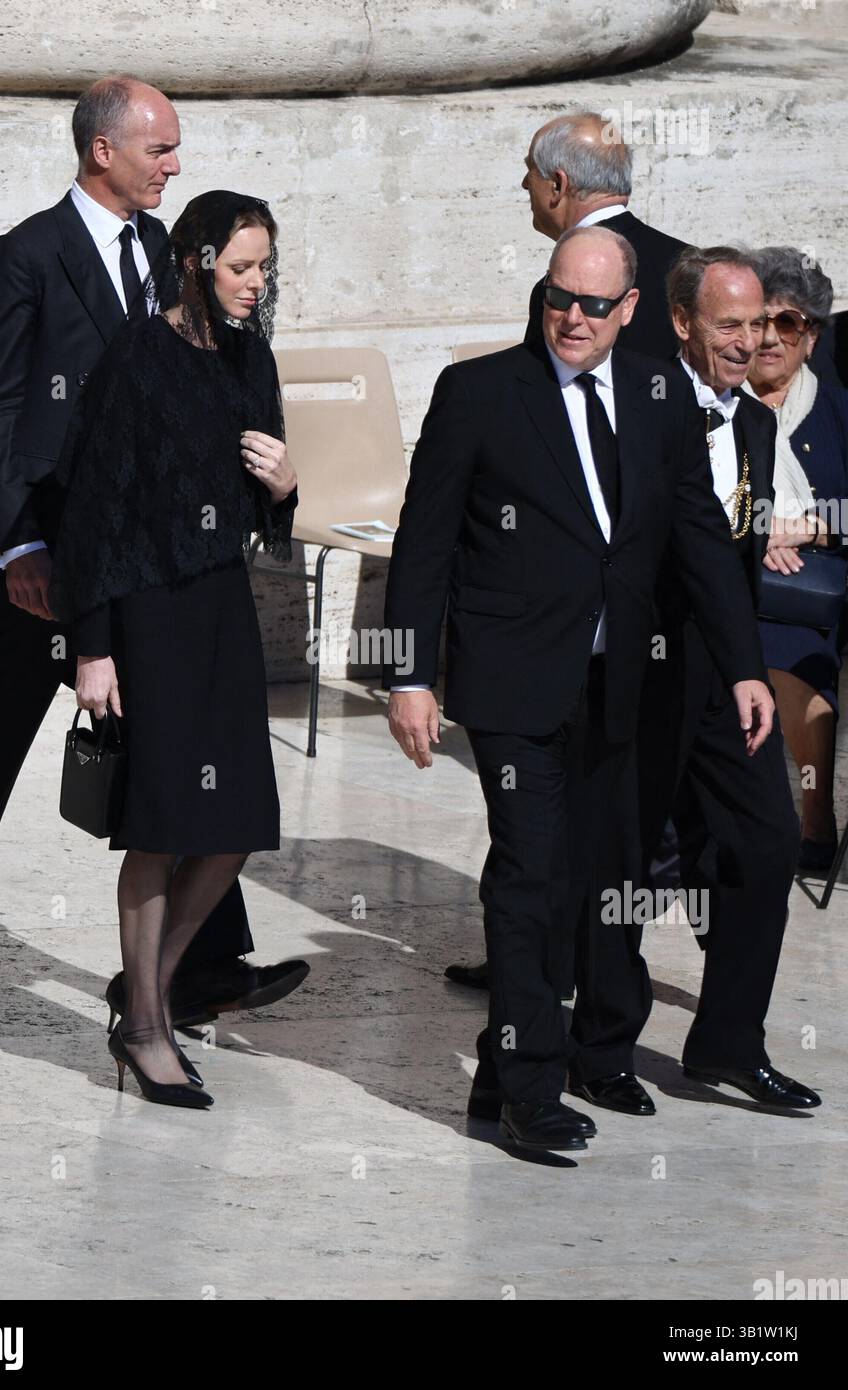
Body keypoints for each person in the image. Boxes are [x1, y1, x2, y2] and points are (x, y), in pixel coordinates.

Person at [0, 76, 308, 1027]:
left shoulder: (168, 251)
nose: (175, 165)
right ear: (101, 150)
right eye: (159, 149)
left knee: (175, 749)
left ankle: (197, 966)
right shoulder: (23, 256)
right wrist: (19, 540)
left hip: (141, 564)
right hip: (41, 556)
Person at [384, 225, 775, 1154]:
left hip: (622, 685)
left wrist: (745, 665)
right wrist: (407, 672)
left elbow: (700, 544)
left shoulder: (653, 396)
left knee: (593, 883)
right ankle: (526, 1089)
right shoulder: (479, 392)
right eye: (560, 296)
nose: (573, 317)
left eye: (596, 305)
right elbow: (425, 540)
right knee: (532, 878)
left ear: (630, 311)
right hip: (514, 684)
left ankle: (509, 1068)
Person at [49, 190, 297, 1108]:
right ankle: (147, 1029)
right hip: (146, 614)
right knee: (157, 827)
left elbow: (267, 506)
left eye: (264, 267)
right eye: (241, 267)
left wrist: (287, 484)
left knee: (233, 822)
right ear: (195, 262)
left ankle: (147, 989)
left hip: (223, 605)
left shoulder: (249, 356)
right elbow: (93, 518)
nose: (255, 284)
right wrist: (93, 650)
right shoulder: (136, 360)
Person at [448, 110, 688, 994]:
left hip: (573, 613)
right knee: (586, 826)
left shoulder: (568, 289)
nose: (574, 316)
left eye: (527, 175)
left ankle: (548, 975)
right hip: (639, 614)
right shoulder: (681, 261)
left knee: (587, 828)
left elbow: (533, 459)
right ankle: (549, 979)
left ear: (558, 185)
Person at [632, 246, 820, 1112]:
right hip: (635, 664)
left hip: (724, 671)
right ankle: (581, 1039)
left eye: (760, 325)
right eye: (730, 326)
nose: (750, 343)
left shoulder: (753, 422)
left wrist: (747, 665)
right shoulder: (635, 400)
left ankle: (727, 1043)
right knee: (622, 862)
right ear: (682, 324)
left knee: (769, 840)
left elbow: (733, 554)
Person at [746, 247, 848, 872]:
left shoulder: (839, 413)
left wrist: (809, 528)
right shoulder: (714, 410)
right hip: (736, 577)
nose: (772, 338)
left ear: (810, 337)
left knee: (796, 652)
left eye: (790, 324)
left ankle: (814, 814)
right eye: (761, 321)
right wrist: (760, 533)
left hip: (822, 588)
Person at [521, 111, 687, 359]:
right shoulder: (692, 264)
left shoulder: (558, 293)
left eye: (530, 170)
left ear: (557, 184)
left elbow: (538, 390)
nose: (525, 184)